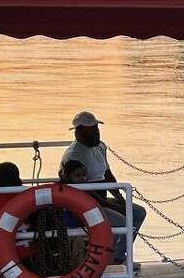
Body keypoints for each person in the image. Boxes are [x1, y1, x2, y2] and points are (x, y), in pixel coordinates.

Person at [58, 112, 147, 265]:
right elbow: (82, 189)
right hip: (84, 203)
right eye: (91, 130)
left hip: (101, 198)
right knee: (124, 221)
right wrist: (108, 205)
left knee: (138, 212)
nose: (96, 132)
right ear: (78, 132)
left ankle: (118, 256)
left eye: (96, 128)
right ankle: (106, 259)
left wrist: (118, 197)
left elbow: (107, 173)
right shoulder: (74, 156)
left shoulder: (100, 146)